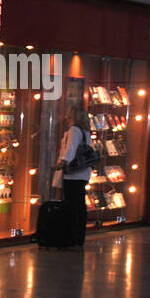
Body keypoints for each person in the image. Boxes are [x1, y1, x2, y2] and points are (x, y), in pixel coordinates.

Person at [51, 103, 93, 248]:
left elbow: (71, 148)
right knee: (79, 205)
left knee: (72, 205)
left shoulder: (74, 130)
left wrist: (62, 163)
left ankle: (71, 236)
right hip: (82, 172)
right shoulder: (85, 131)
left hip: (73, 173)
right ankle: (78, 237)